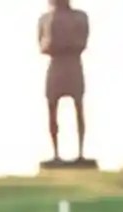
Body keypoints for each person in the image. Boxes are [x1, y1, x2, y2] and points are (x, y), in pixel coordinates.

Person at [38, 0, 90, 161]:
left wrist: (63, 44)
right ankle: (56, 154)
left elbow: (82, 42)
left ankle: (81, 153)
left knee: (78, 107)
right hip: (56, 66)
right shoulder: (45, 19)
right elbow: (42, 45)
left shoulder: (80, 17)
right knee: (52, 108)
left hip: (73, 66)